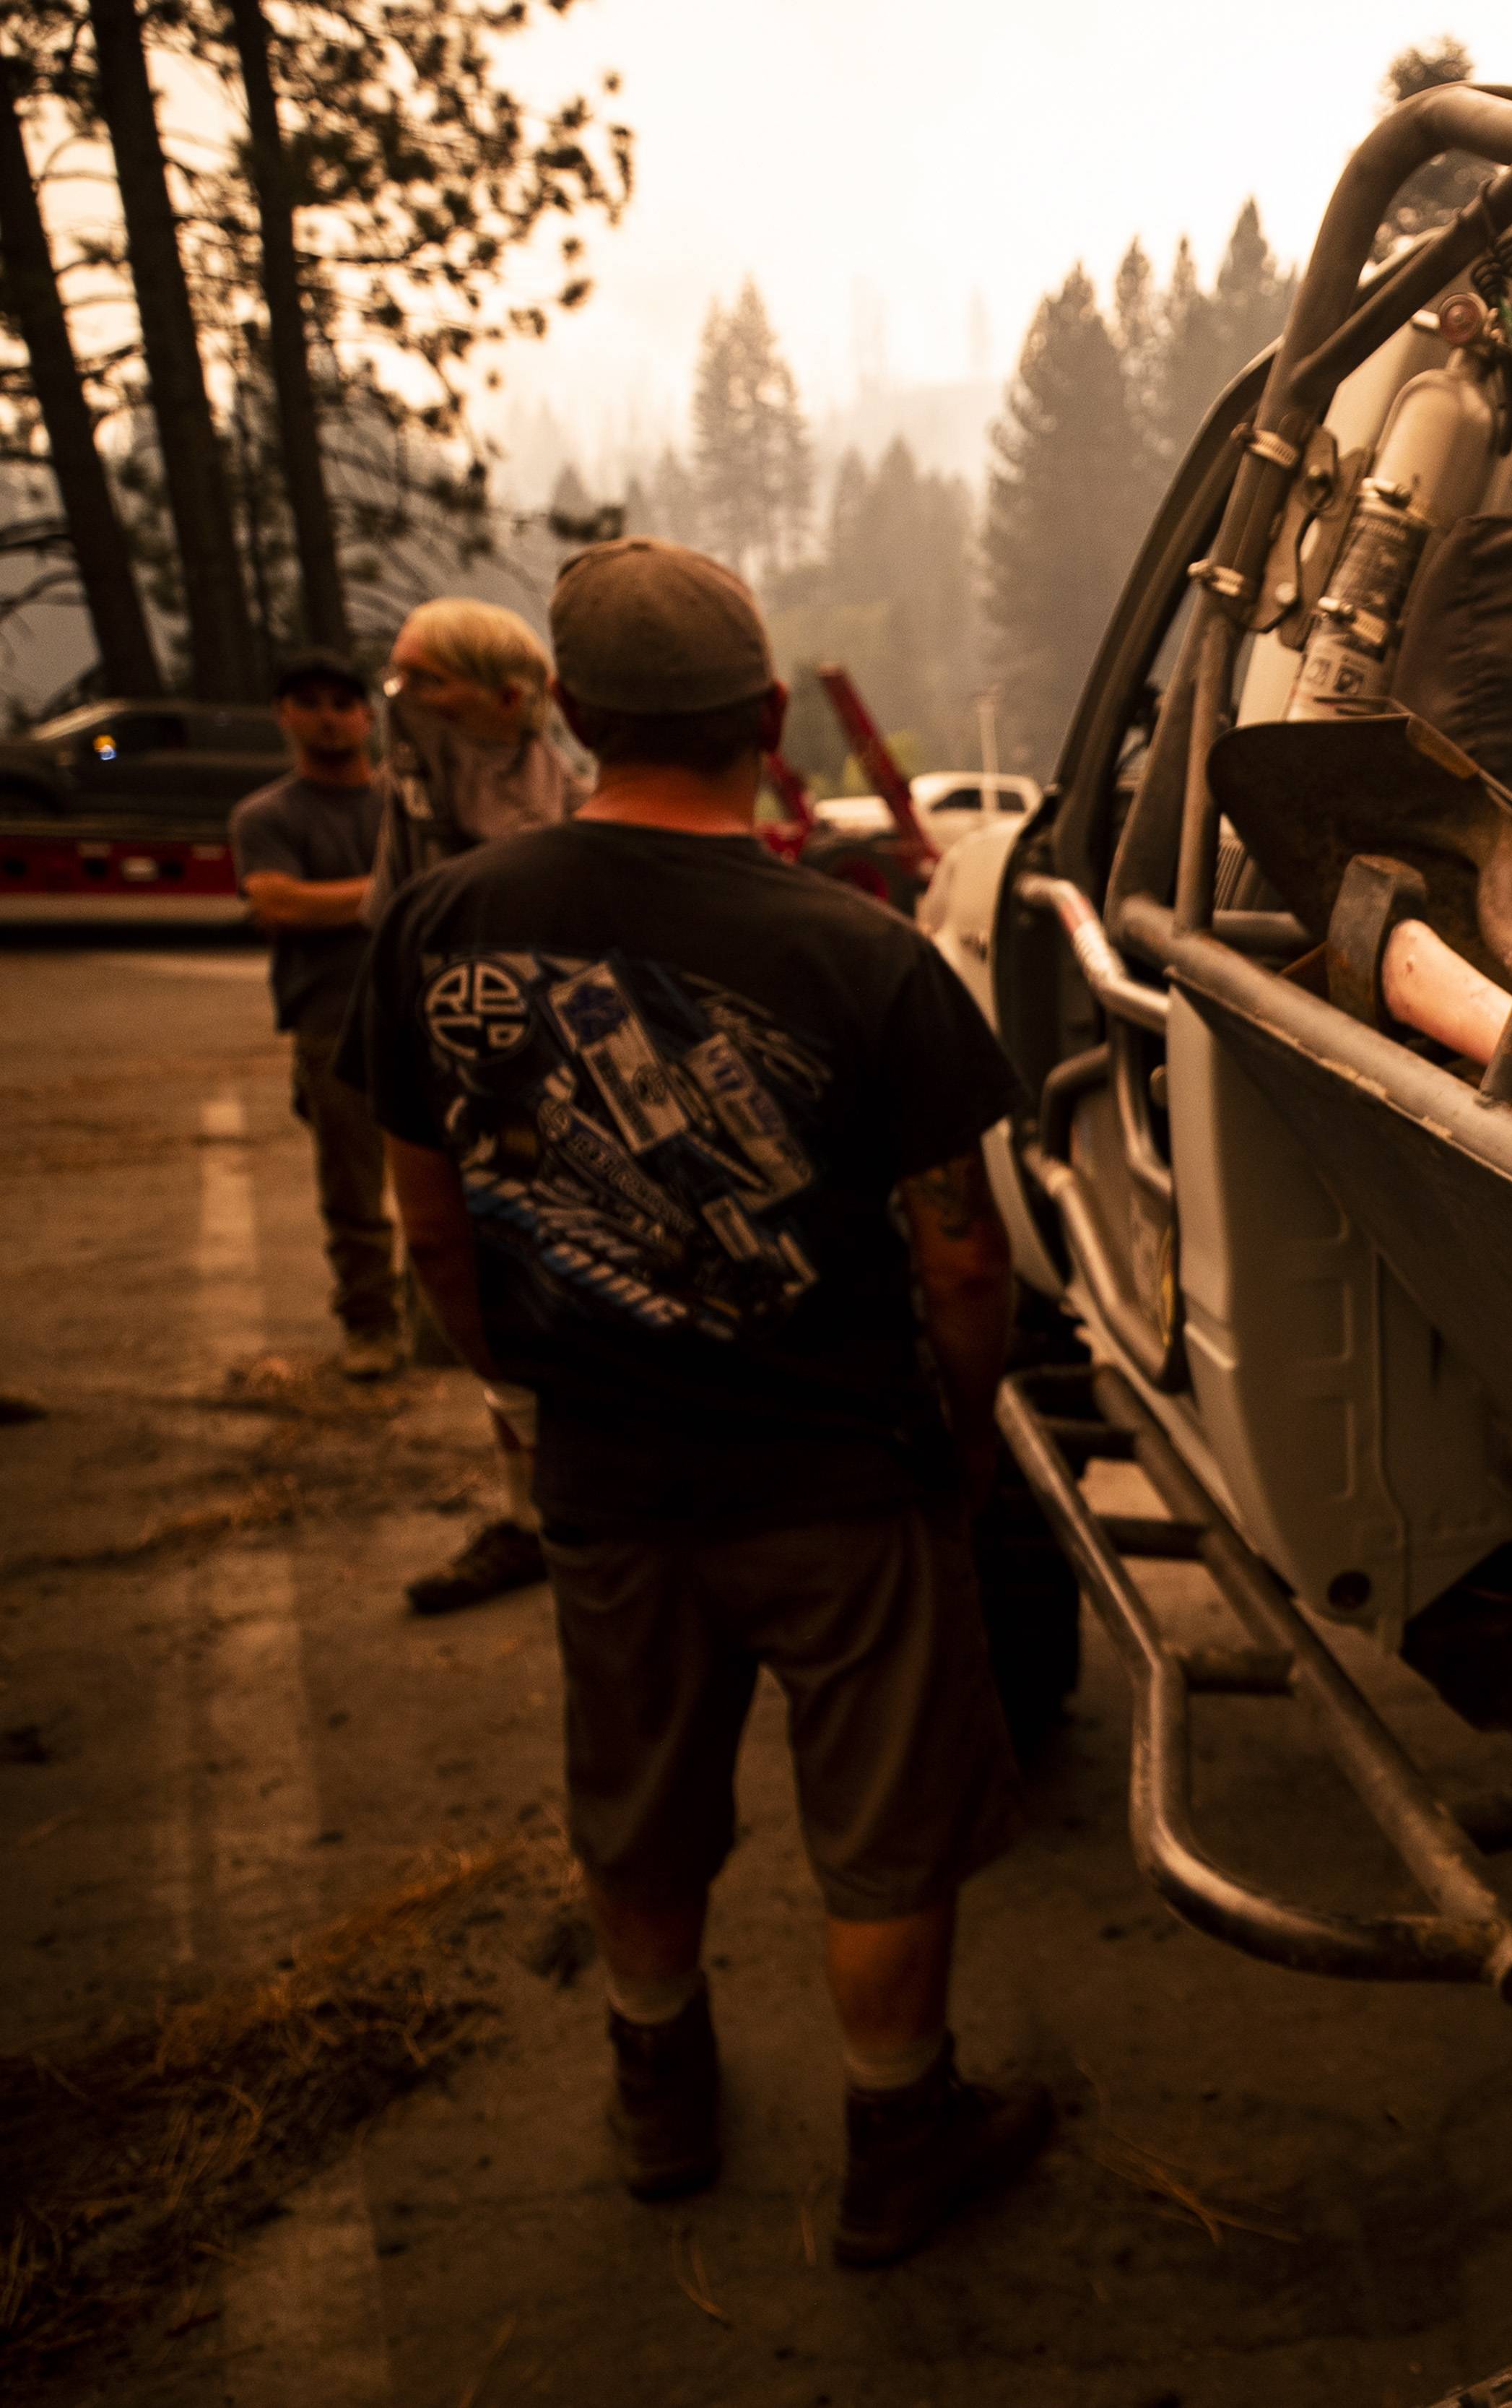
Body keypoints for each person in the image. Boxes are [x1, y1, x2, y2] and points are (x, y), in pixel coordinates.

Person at [343, 539, 1046, 2265]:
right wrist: (961, 1442)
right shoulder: (865, 953)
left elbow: (425, 1220)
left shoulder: (438, 923)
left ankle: (659, 2087)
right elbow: (963, 1263)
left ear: (574, 716)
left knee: (636, 1790)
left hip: (605, 1469)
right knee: (882, 1828)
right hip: (839, 1475)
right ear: (761, 713)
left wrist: (526, 1382)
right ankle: (898, 2136)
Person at [373, 597, 591, 1615]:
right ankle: (528, 1516)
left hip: (563, 1099)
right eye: (400, 680)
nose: (403, 703)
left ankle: (585, 1512)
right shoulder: (413, 803)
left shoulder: (574, 809)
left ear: (512, 698)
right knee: (473, 1294)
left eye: (430, 683)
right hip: (450, 1086)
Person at [230, 651, 401, 1377]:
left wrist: (335, 900)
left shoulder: (406, 800)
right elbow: (275, 903)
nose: (329, 716)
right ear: (286, 716)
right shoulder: (267, 815)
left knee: (459, 1178)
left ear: (367, 715)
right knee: (354, 1190)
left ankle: (446, 1326)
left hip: (423, 1013)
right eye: (310, 703)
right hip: (331, 1020)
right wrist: (395, 887)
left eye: (342, 702)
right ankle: (370, 1326)